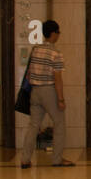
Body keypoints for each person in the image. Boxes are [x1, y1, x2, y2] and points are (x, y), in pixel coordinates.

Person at [19, 19, 75, 168]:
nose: (59, 35)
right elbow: (57, 78)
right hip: (49, 90)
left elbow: (29, 73)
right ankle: (56, 159)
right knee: (59, 124)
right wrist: (61, 99)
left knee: (33, 125)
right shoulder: (55, 53)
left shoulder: (36, 49)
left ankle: (25, 159)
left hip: (35, 91)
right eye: (58, 32)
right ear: (53, 34)